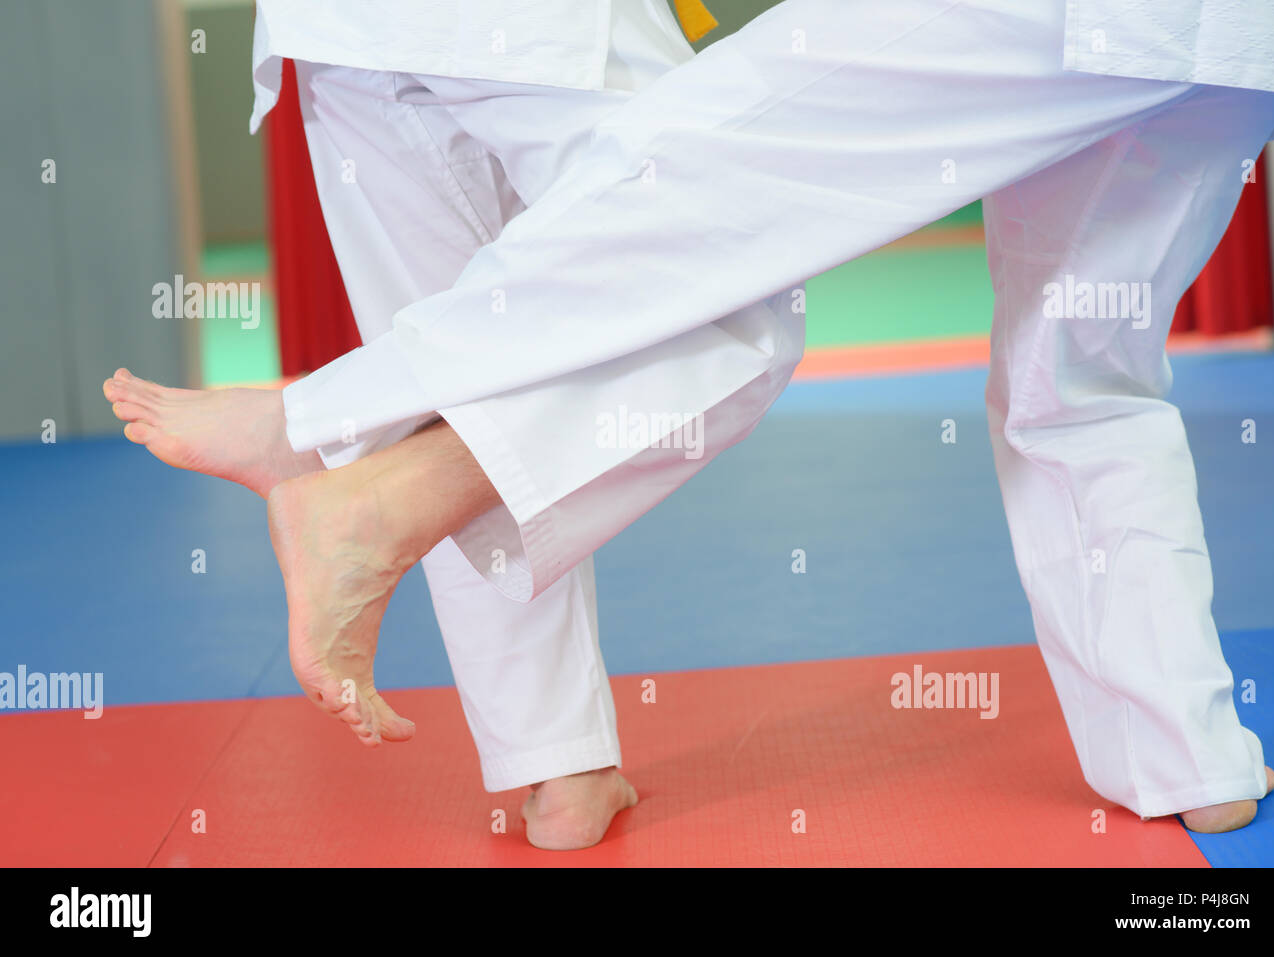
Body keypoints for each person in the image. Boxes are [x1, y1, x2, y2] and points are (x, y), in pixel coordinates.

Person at [110, 0, 1274, 836]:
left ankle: (338, 447)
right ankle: (1186, 758)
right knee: (1085, 378)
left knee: (680, 175)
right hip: (1248, 43)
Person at [105, 0, 798, 852]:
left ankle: (560, 765)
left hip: (334, 32)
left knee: (458, 374)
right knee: (739, 292)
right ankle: (316, 428)